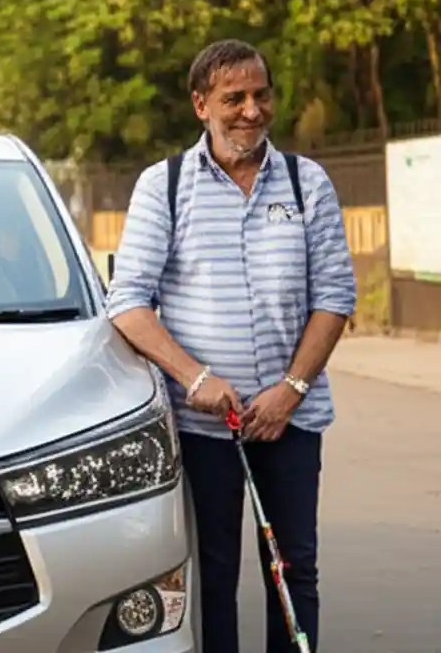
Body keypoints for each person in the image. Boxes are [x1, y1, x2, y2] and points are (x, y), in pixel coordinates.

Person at [105, 39, 357, 652]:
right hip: (204, 428)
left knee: (294, 568)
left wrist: (290, 391)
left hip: (290, 420)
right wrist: (195, 379)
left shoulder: (306, 182)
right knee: (214, 574)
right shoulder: (163, 187)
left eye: (261, 94)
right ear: (201, 105)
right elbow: (128, 304)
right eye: (233, 98)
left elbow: (336, 296)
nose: (251, 110)